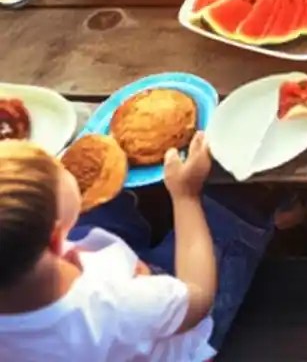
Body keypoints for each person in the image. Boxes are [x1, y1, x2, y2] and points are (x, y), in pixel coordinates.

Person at [0, 135, 220, 360]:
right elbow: (200, 298)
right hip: (167, 325)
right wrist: (185, 195)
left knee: (100, 217)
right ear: (55, 240)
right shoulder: (116, 306)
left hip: (126, 304)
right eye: (61, 169)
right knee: (224, 220)